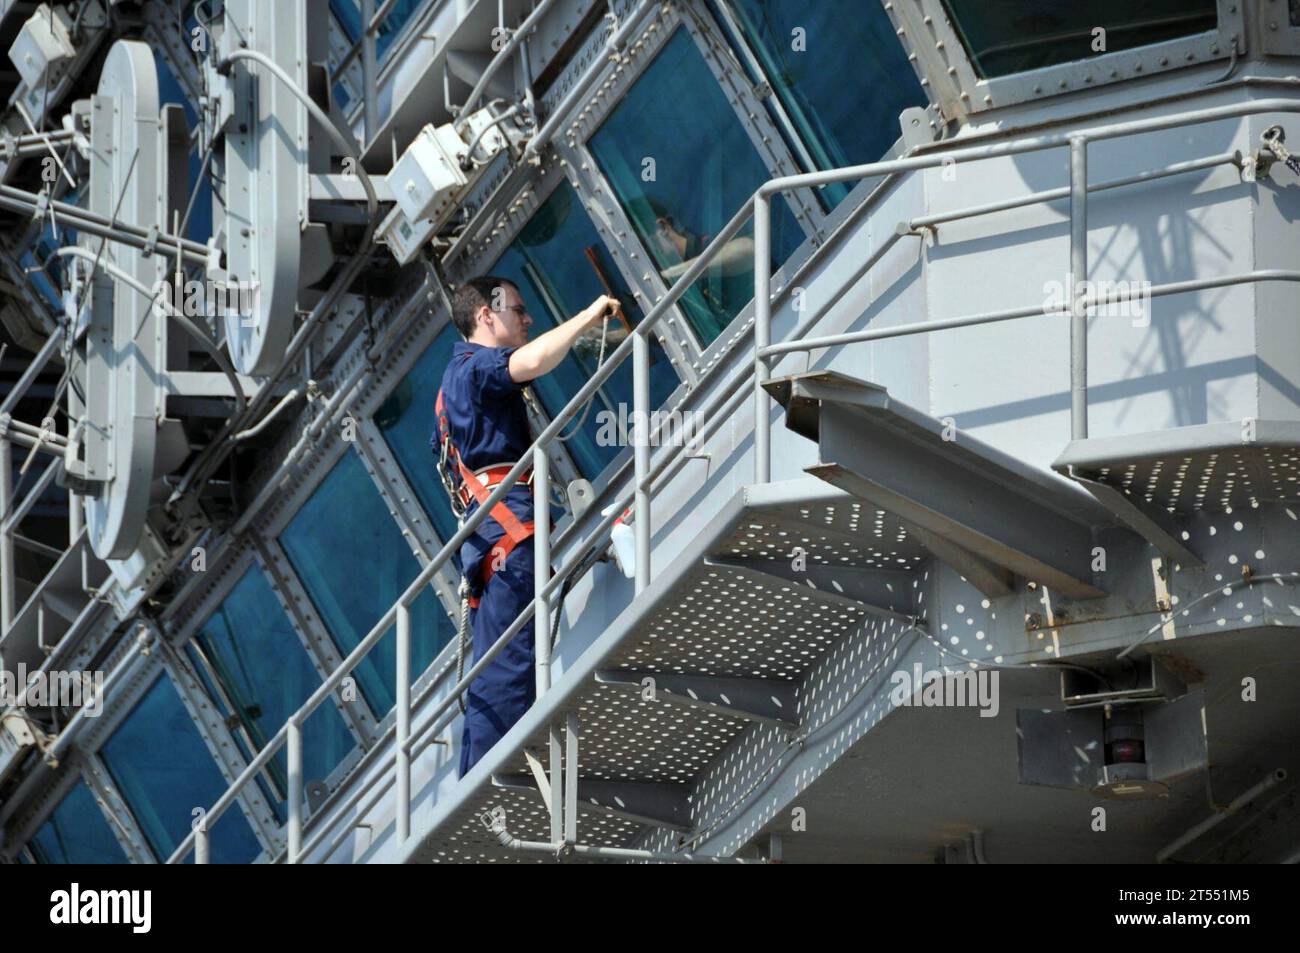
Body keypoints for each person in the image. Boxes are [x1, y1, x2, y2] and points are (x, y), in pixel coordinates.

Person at [431, 275, 617, 776]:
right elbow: (530, 361)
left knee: (498, 667)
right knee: (509, 668)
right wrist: (589, 315)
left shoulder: (453, 386)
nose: (527, 318)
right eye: (518, 309)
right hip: (508, 537)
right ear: (486, 315)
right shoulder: (474, 368)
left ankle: (481, 778)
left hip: (495, 538)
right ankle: (493, 786)